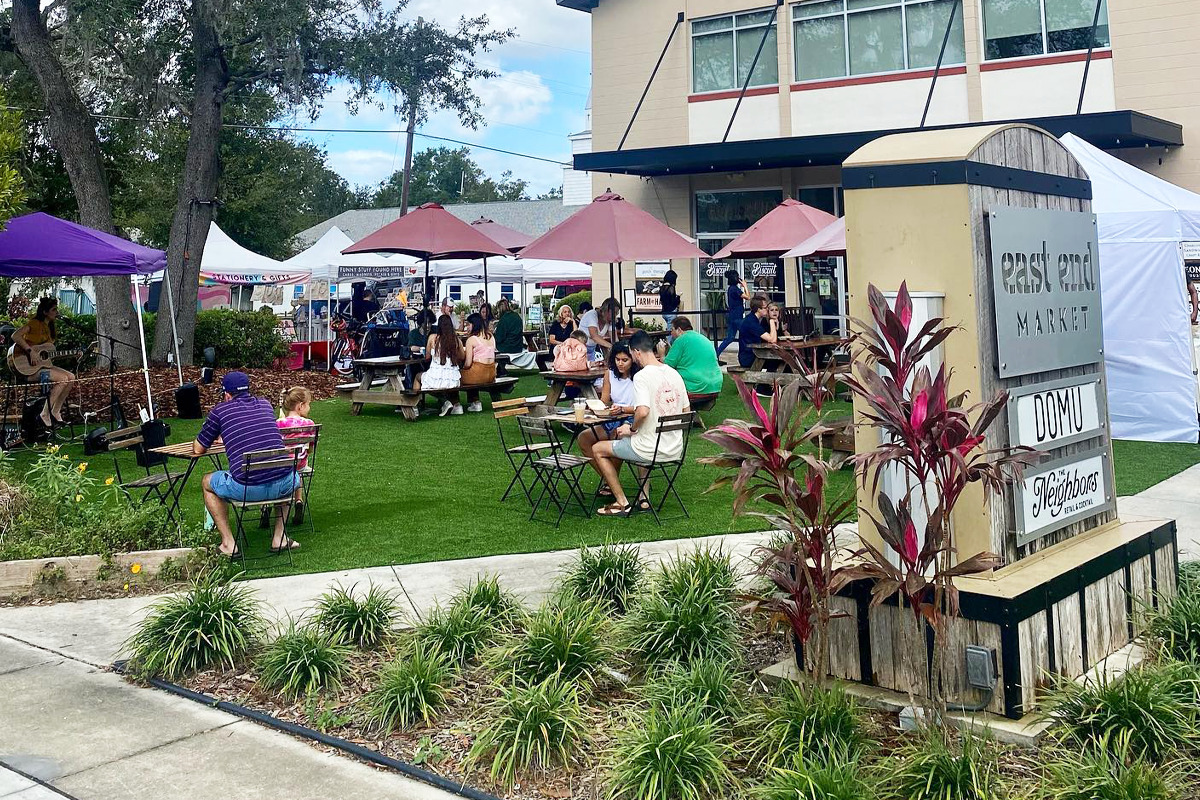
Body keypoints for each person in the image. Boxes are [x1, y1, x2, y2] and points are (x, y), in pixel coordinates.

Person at [196, 372, 302, 557]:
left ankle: (228, 544)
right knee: (284, 473)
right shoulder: (265, 405)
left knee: (207, 482)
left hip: (247, 489)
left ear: (226, 394)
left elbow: (198, 449)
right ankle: (279, 537)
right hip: (285, 484)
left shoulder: (220, 411)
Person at [592, 331, 690, 516]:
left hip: (650, 450)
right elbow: (686, 411)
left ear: (636, 352)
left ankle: (622, 503)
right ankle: (643, 499)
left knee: (598, 449)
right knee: (640, 438)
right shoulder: (674, 373)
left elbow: (643, 411)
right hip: (675, 448)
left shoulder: (642, 376)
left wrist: (631, 428)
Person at [579, 342, 639, 493]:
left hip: (632, 418)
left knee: (616, 436)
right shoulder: (610, 374)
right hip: (613, 417)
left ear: (632, 360)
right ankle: (610, 479)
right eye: (617, 359)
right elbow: (604, 401)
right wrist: (594, 406)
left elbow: (642, 407)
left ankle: (611, 482)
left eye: (624, 360)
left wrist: (623, 409)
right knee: (583, 438)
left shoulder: (640, 376)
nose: (620, 363)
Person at [13, 298, 75, 429]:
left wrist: (73, 354)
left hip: (42, 366)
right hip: (28, 369)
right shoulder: (34, 323)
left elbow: (46, 354)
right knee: (62, 379)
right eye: (54, 310)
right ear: (45, 312)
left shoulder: (50, 328)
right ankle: (45, 413)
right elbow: (15, 336)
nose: (56, 312)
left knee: (71, 377)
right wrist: (30, 351)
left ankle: (55, 411)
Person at [276, 386, 316, 523]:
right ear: (300, 406)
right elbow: (311, 447)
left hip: (281, 465)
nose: (309, 408)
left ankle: (266, 507)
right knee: (298, 465)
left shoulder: (278, 424)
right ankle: (298, 500)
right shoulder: (309, 424)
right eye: (308, 404)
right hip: (299, 463)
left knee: (284, 465)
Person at [663, 316, 723, 395]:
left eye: (672, 330)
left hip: (695, 385)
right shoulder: (703, 338)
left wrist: (662, 355)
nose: (671, 333)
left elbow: (667, 366)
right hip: (715, 384)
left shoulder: (681, 340)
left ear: (679, 330)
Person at [419, 314, 465, 416]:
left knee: (419, 378)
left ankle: (416, 406)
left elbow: (427, 357)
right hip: (453, 379)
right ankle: (456, 405)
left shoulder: (433, 338)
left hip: (437, 376)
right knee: (448, 380)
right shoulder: (456, 340)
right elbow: (462, 356)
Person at [460, 312, 496, 412]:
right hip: (491, 373)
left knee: (456, 375)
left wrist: (462, 369)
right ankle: (475, 402)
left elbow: (468, 363)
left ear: (474, 324)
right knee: (470, 374)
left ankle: (464, 402)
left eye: (468, 325)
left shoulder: (471, 340)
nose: (467, 327)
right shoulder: (491, 336)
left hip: (478, 374)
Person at [494, 298, 537, 369]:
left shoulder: (503, 319)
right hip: (518, 347)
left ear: (500, 309)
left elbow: (499, 338)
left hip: (507, 348)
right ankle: (500, 369)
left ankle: (499, 368)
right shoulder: (517, 316)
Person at [737, 296, 779, 369]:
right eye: (765, 308)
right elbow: (772, 340)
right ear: (759, 309)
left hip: (755, 354)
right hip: (749, 358)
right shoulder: (751, 322)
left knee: (779, 361)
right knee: (777, 362)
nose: (767, 309)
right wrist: (772, 321)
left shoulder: (754, 319)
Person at [715, 270, 749, 357]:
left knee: (730, 338)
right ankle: (745, 354)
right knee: (746, 333)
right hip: (737, 316)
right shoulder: (735, 289)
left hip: (733, 315)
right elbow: (747, 297)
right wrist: (745, 286)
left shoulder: (731, 289)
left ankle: (716, 353)